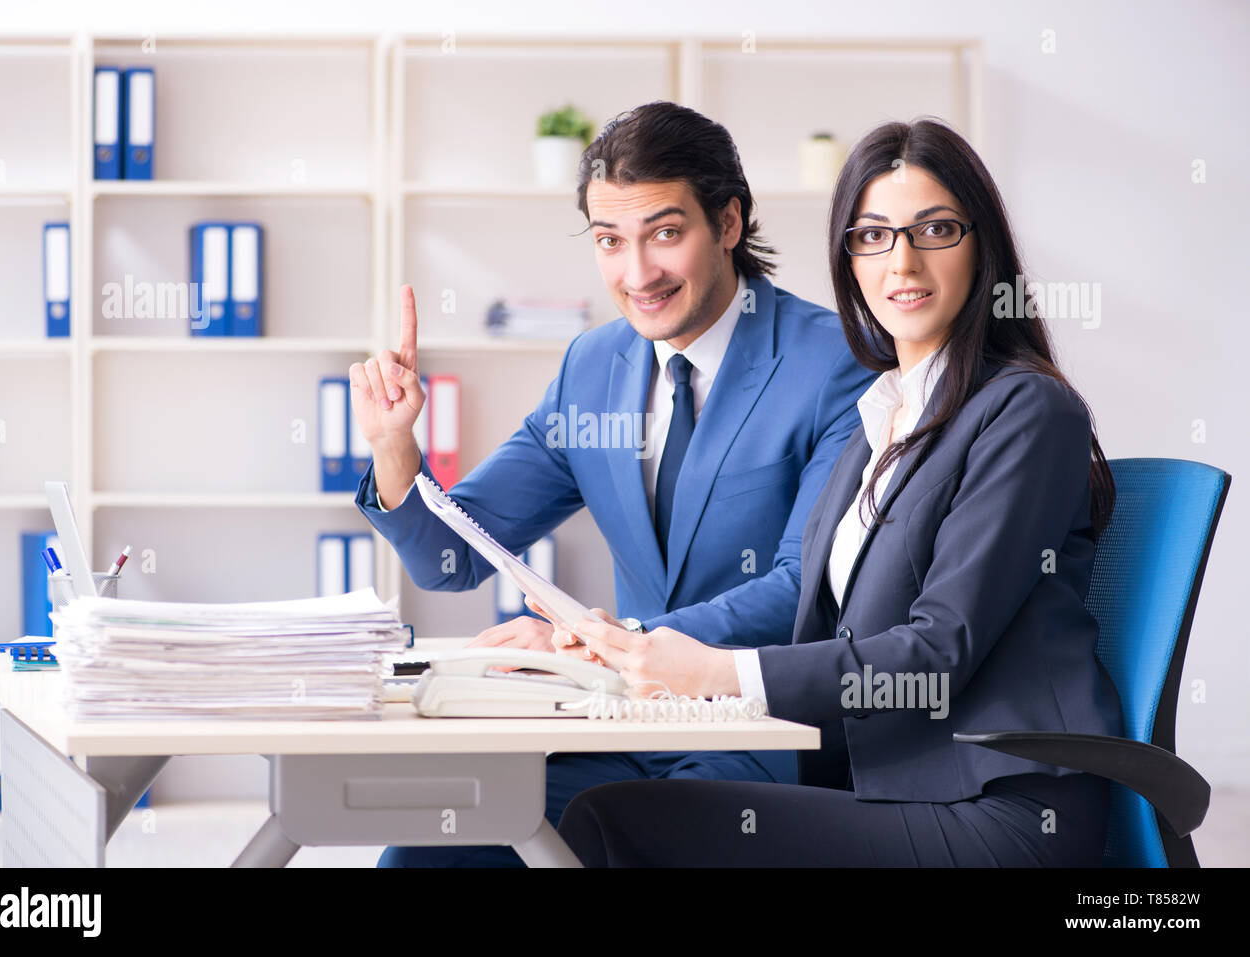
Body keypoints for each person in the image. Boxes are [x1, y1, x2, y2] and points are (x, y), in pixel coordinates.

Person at [552, 117, 1126, 867]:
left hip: (1002, 808)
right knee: (568, 804)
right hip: (890, 787)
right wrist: (625, 648)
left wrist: (716, 672)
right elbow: (819, 629)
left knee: (617, 822)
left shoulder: (1025, 411)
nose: (904, 261)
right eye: (873, 236)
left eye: (937, 229)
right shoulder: (881, 420)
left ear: (982, 244)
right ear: (848, 258)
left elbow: (934, 652)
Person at [348, 101, 877, 867]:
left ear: (728, 223)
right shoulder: (591, 368)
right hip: (616, 726)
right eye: (609, 241)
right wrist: (396, 445)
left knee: (639, 838)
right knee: (436, 849)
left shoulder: (835, 362)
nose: (638, 275)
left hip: (755, 731)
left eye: (666, 233)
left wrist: (610, 645)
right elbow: (455, 557)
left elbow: (803, 588)